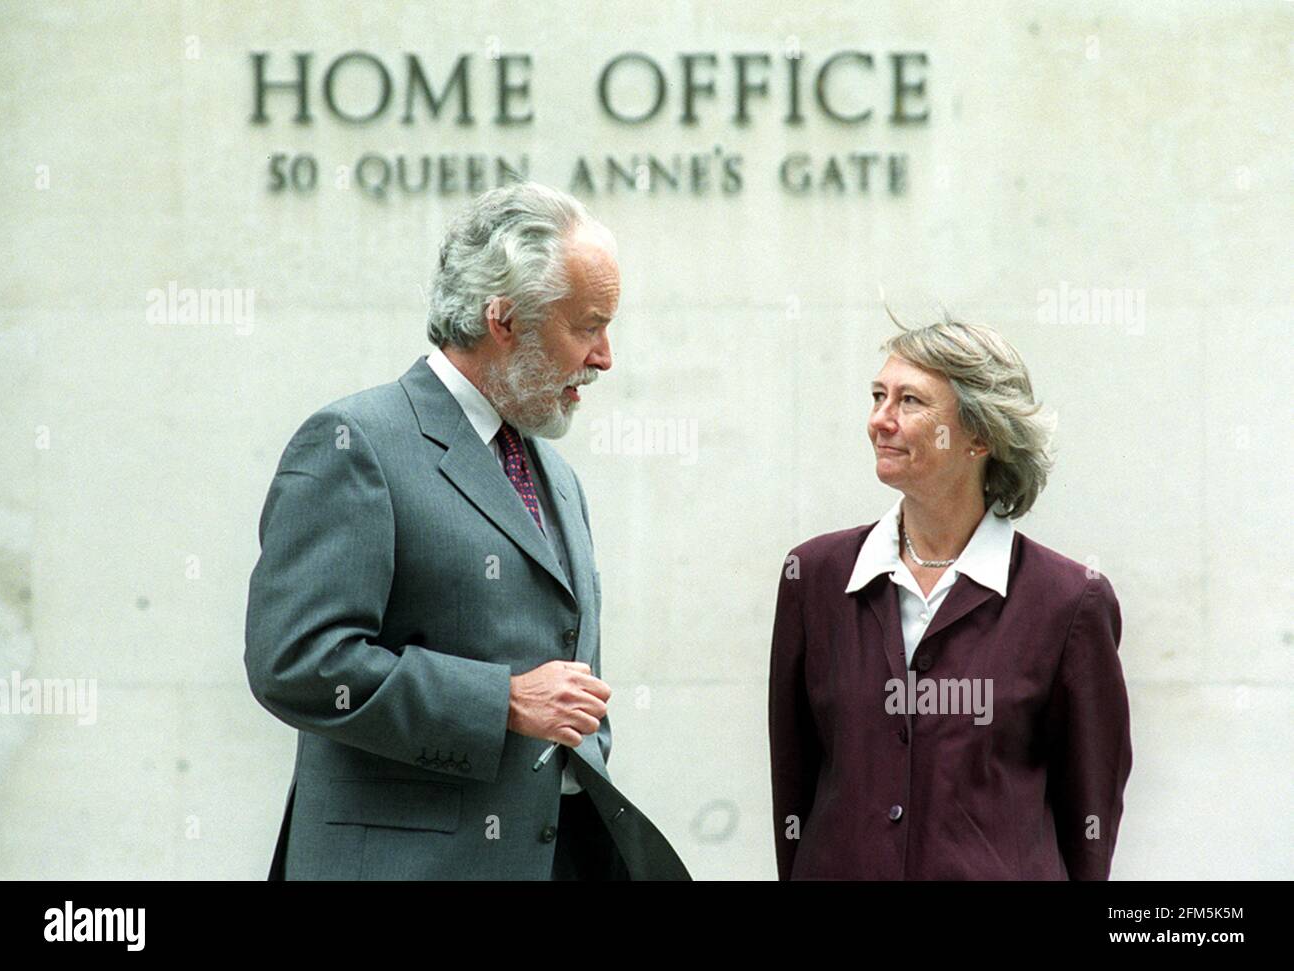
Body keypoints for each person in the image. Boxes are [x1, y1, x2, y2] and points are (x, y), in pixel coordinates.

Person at [245, 181, 688, 880]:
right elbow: (297, 663)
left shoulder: (555, 472)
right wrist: (504, 700)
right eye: (587, 324)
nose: (604, 356)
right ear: (504, 319)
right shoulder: (354, 442)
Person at [769, 317, 1132, 880]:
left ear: (981, 436)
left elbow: (1090, 813)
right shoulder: (813, 578)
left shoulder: (1070, 603)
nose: (879, 420)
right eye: (877, 396)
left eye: (909, 401)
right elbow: (794, 781)